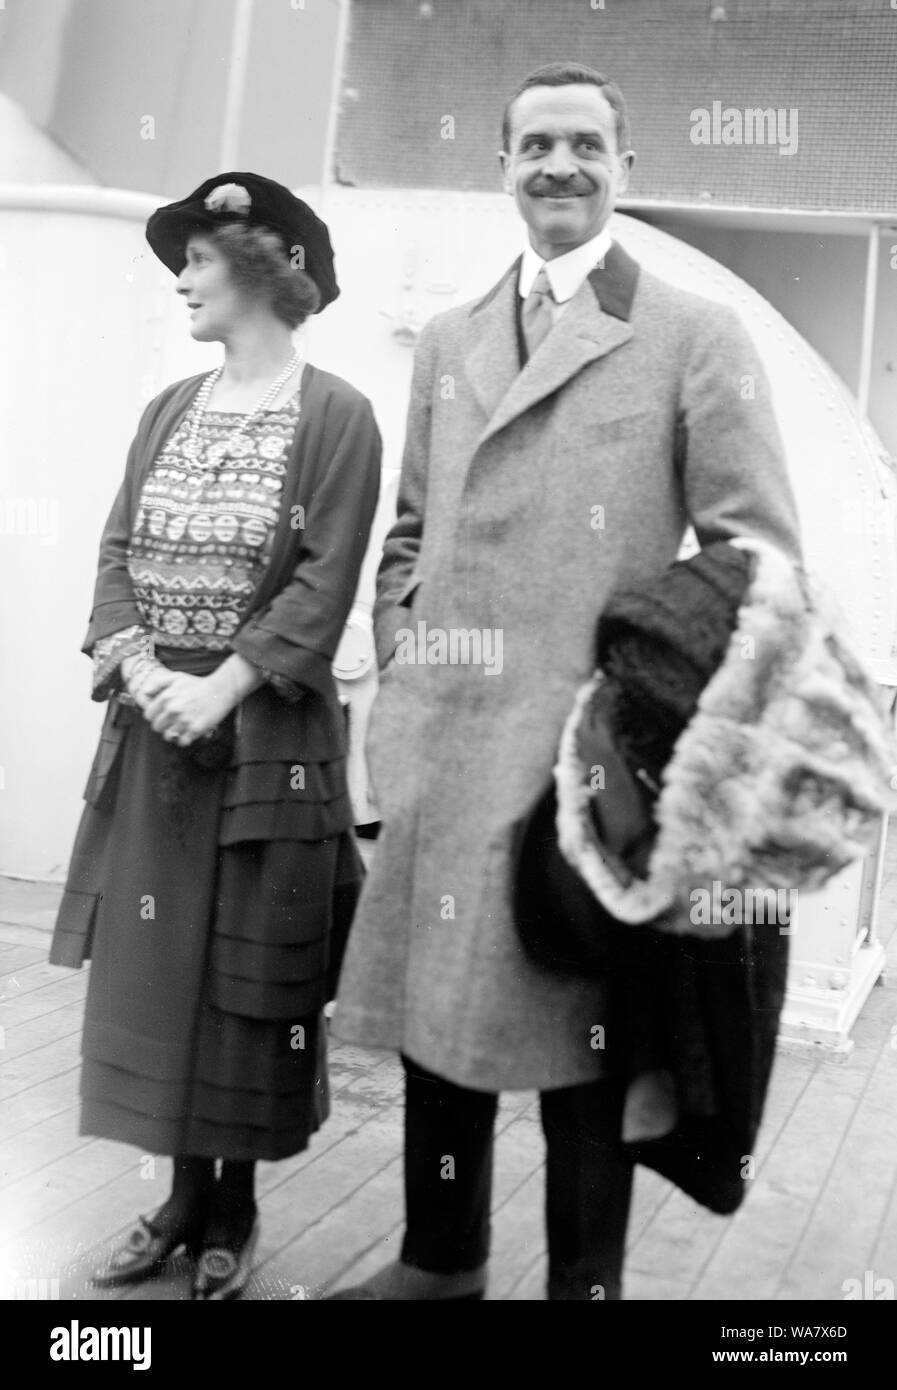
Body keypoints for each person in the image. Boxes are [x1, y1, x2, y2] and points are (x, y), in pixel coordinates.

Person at [329, 62, 803, 1301]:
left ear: (624, 170)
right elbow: (411, 530)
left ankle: (582, 1290)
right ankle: (441, 1266)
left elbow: (760, 558)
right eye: (535, 144)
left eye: (586, 146)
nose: (560, 167)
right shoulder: (447, 339)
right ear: (502, 164)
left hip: (583, 777)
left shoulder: (695, 335)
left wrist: (643, 704)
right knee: (440, 1026)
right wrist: (408, 649)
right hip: (443, 747)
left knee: (585, 1050)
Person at [49, 172, 381, 1300]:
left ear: (264, 265)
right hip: (155, 738)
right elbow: (112, 557)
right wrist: (144, 672)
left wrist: (225, 686)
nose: (180, 278)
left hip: (264, 742)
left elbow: (325, 583)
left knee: (247, 982)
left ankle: (233, 1207)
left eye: (196, 257)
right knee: (156, 973)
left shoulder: (337, 415)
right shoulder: (168, 409)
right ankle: (178, 1200)